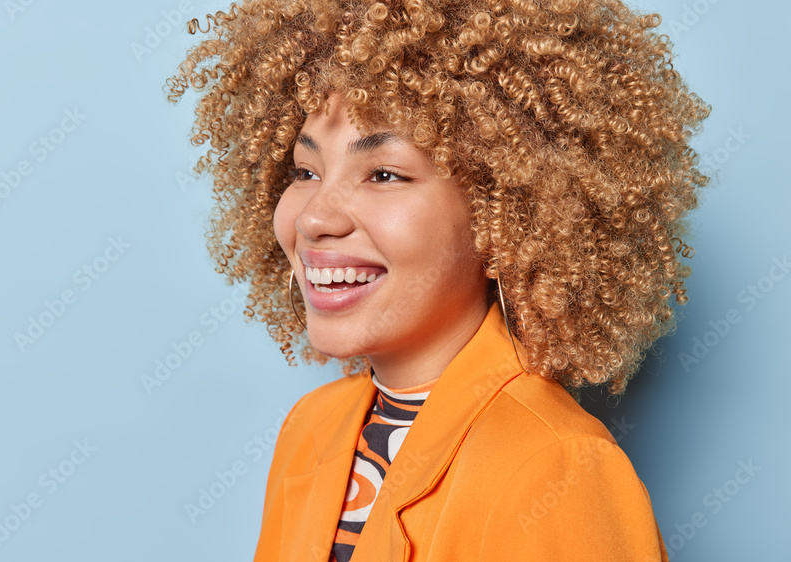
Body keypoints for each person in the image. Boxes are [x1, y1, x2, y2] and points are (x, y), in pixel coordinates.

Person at [167, 0, 709, 559]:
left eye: (383, 174)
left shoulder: (557, 466)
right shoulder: (312, 428)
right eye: (306, 172)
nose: (313, 219)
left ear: (506, 212)